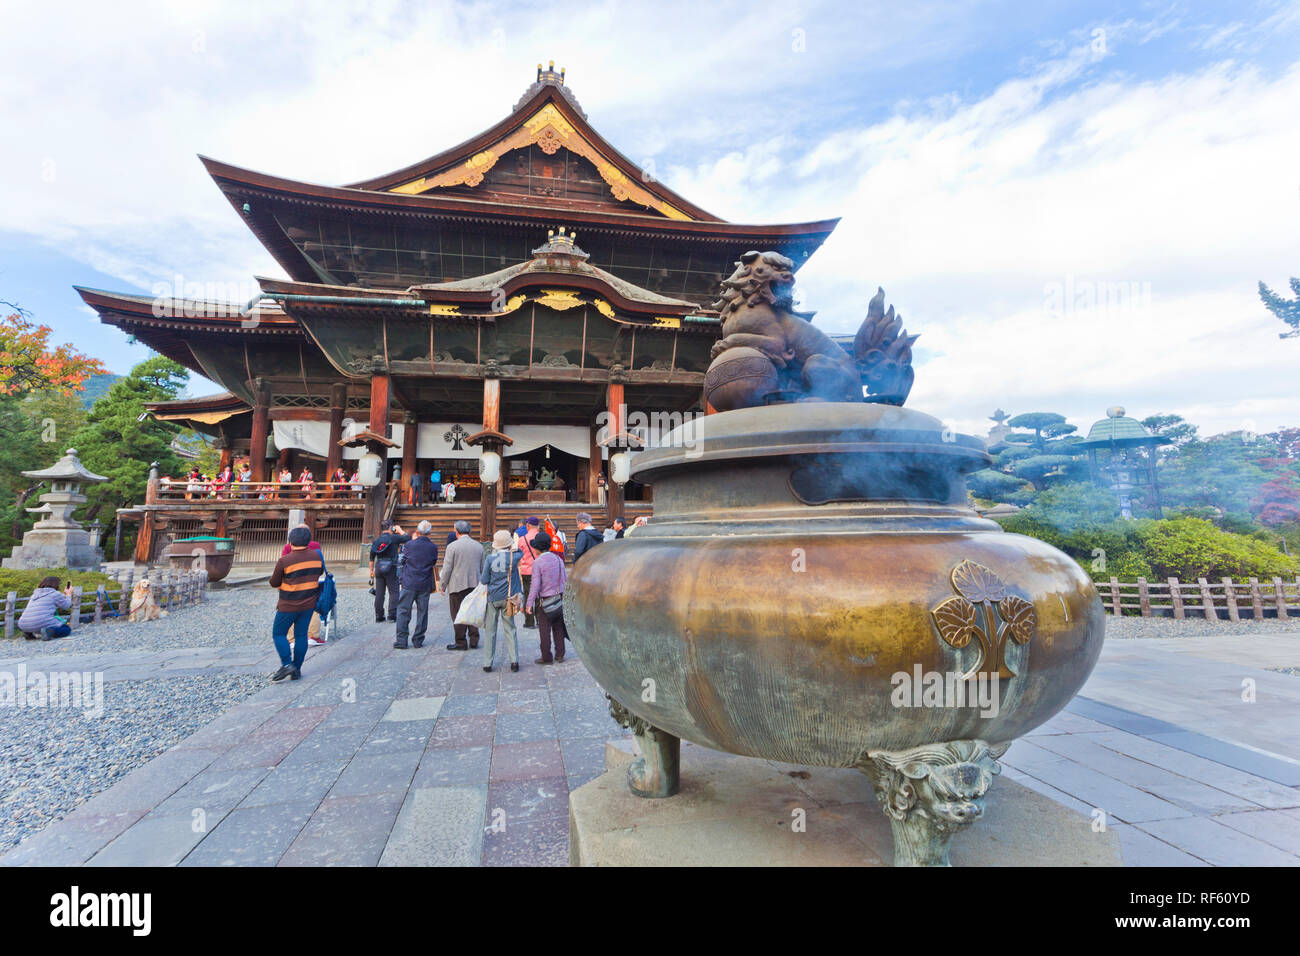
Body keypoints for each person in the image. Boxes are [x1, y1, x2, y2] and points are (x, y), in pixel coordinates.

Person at [268, 525, 325, 682]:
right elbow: (319, 572)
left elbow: (274, 582)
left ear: (290, 541)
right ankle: (297, 669)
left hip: (288, 603)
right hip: (308, 603)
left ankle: (287, 664)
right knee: (301, 635)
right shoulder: (316, 556)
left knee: (279, 633)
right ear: (308, 541)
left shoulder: (285, 560)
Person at [479, 529, 523, 673]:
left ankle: (487, 662)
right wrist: (513, 546)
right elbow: (520, 552)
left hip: (493, 597)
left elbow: (484, 579)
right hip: (509, 598)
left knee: (490, 630)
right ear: (508, 544)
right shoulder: (514, 557)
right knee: (510, 629)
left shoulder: (490, 559)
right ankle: (514, 661)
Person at [440, 519, 485, 651]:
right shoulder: (479, 546)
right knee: (473, 611)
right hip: (475, 583)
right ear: (469, 531)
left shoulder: (452, 547)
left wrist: (443, 584)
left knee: (457, 613)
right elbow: (482, 567)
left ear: (456, 531)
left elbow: (447, 568)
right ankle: (474, 639)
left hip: (457, 584)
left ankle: (460, 641)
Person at [394, 520, 438, 649]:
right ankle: (418, 639)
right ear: (429, 532)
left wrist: (400, 577)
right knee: (422, 612)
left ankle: (402, 640)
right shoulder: (433, 547)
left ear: (417, 532)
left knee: (403, 611)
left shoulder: (409, 545)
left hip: (409, 581)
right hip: (424, 582)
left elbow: (402, 560)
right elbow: (433, 562)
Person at [526, 530, 569, 665]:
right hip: (559, 597)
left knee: (544, 629)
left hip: (545, 600)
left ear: (537, 548)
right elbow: (564, 580)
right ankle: (560, 654)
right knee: (558, 627)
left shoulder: (538, 562)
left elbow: (535, 585)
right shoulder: (558, 559)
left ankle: (546, 656)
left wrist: (529, 603)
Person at [368, 519, 408, 622]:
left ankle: (379, 616)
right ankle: (392, 615)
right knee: (394, 592)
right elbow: (408, 538)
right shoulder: (394, 538)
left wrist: (371, 571)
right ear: (391, 527)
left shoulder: (376, 540)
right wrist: (400, 530)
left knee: (380, 593)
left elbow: (371, 557)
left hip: (379, 567)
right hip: (391, 567)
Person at [18, 576, 74, 640]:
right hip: (41, 623)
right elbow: (66, 606)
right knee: (66, 629)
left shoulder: (34, 595)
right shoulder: (55, 594)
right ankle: (49, 632)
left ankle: (29, 633)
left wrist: (63, 595)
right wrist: (69, 594)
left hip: (23, 624)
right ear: (56, 585)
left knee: (37, 622)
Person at [516, 516, 542, 629]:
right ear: (538, 526)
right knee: (540, 595)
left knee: (528, 594)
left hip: (526, 571)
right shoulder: (541, 537)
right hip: (540, 570)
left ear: (528, 525)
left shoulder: (522, 539)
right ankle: (540, 620)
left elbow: (518, 554)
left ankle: (529, 621)